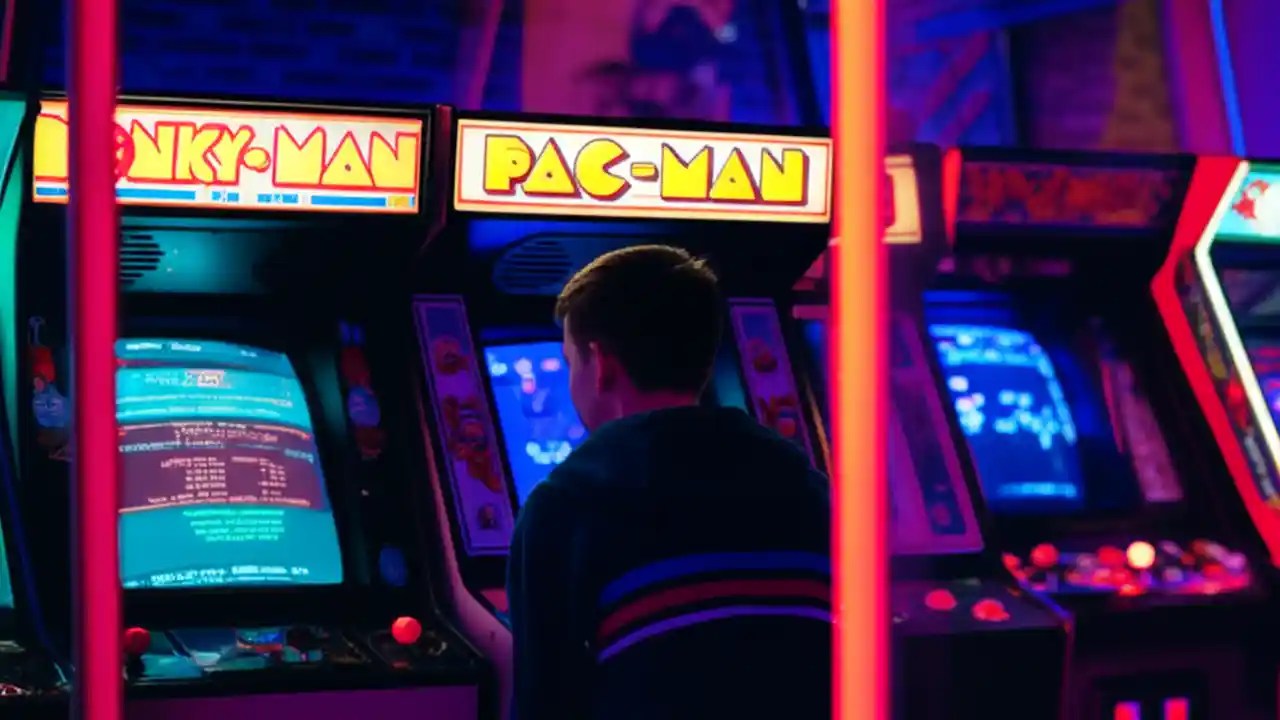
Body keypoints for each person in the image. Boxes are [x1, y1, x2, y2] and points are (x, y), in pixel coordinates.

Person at [507, 245, 831, 720]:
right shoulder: (807, 489)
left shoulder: (567, 508)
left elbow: (545, 703)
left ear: (601, 365)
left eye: (570, 362)